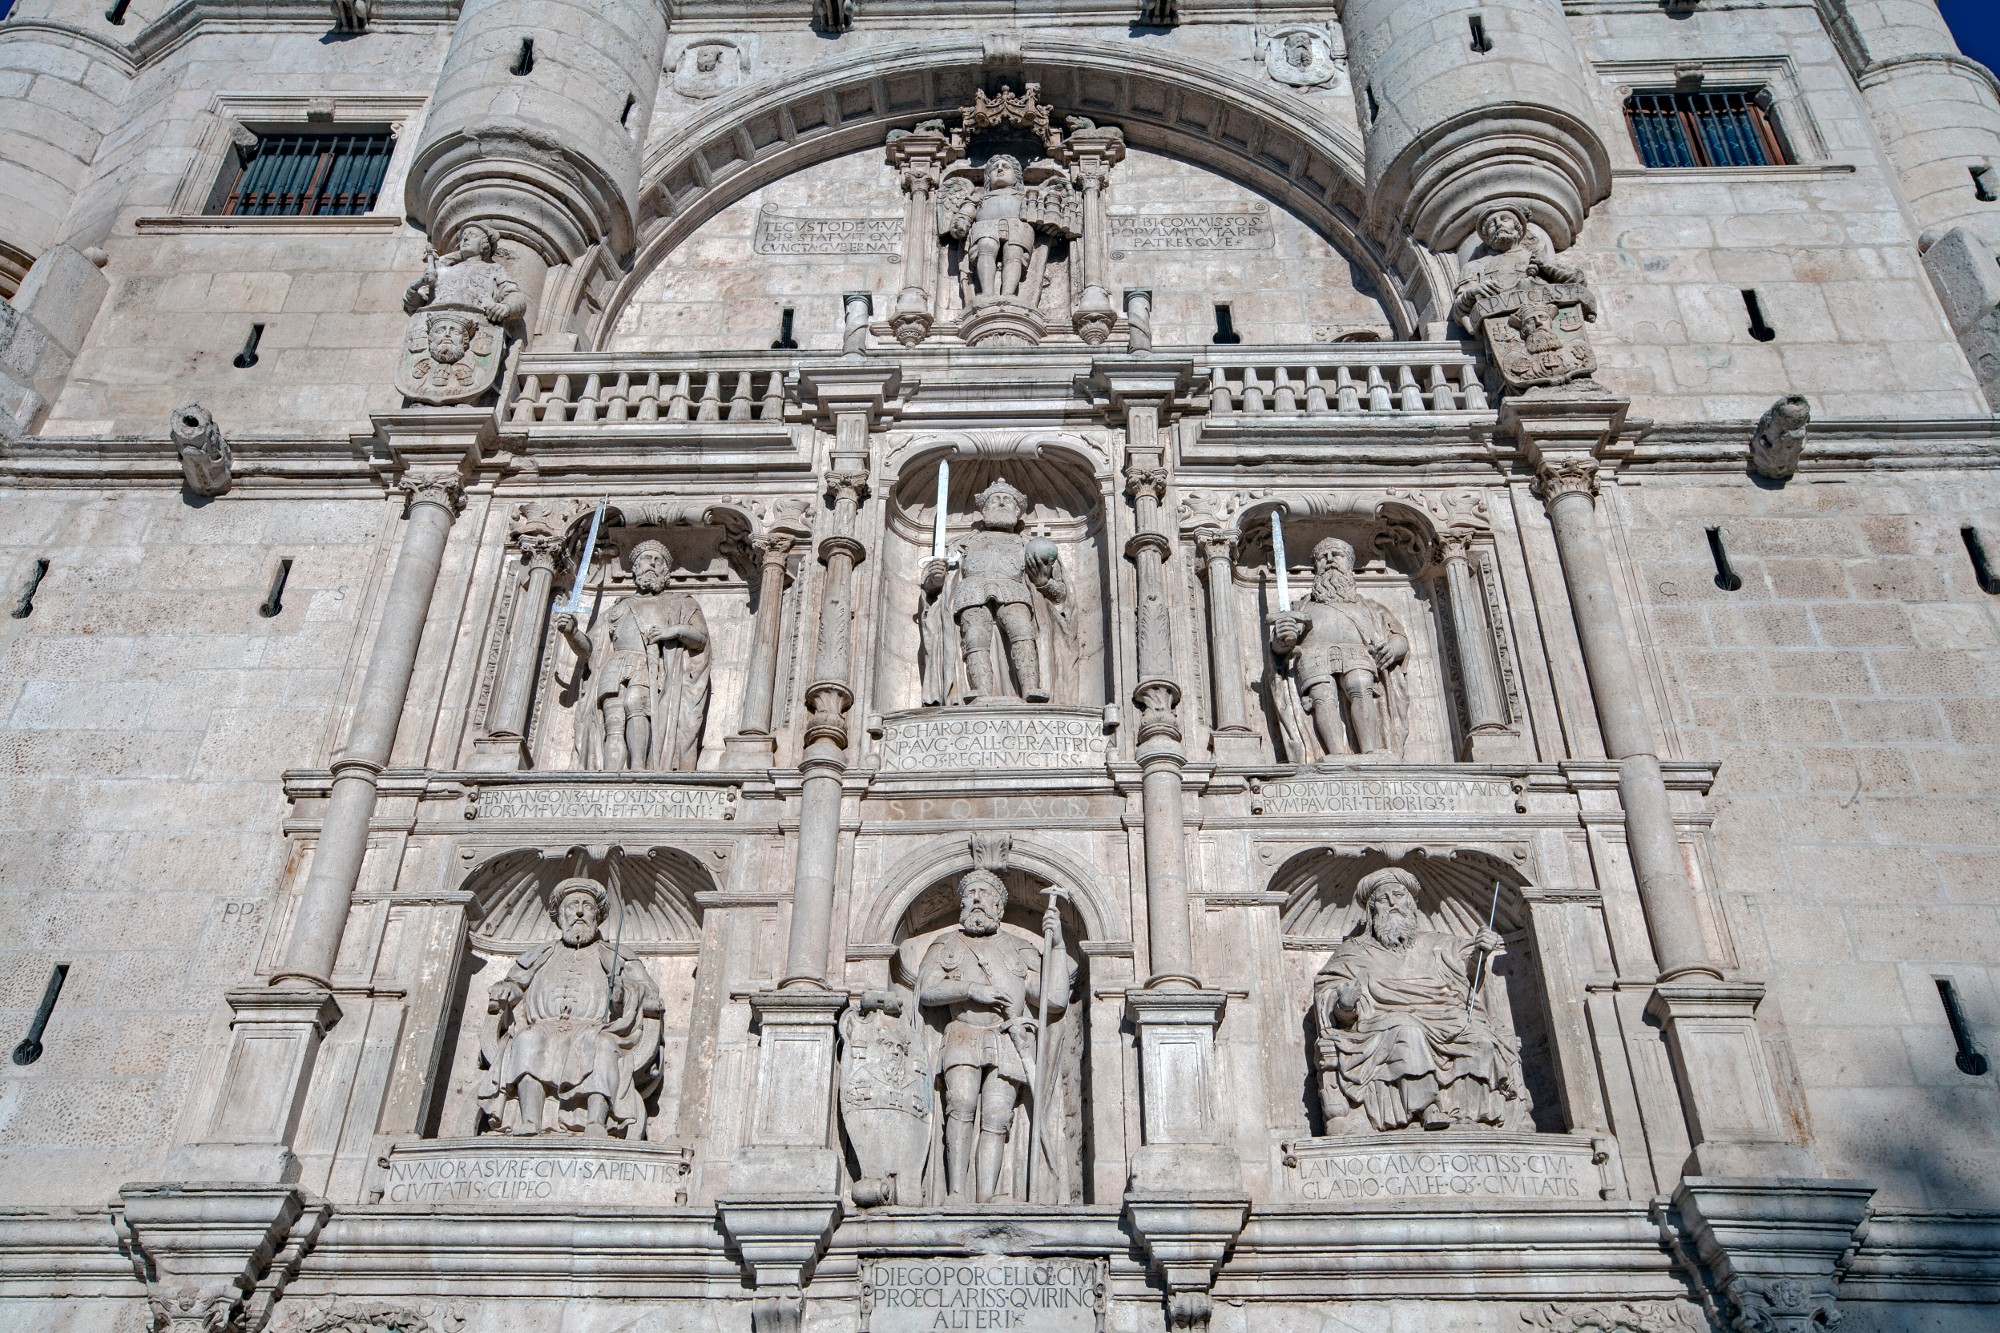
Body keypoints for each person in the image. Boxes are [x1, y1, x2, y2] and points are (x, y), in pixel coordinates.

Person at [1312, 868, 1524, 1133]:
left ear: (1410, 903)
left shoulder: (1440, 944)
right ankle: (1424, 1108)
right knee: (1408, 1031)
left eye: (1398, 895)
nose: (1392, 903)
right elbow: (1330, 996)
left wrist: (1480, 951)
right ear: (1371, 910)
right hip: (1384, 1025)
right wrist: (1344, 1005)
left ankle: (1473, 1115)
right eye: (1382, 898)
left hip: (1445, 1017)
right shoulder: (1354, 952)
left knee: (1480, 1036)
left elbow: (1468, 975)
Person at [916, 870, 1075, 1202]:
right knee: (959, 1105)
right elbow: (927, 990)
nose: (977, 898)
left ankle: (987, 1195)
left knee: (998, 1116)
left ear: (1000, 908)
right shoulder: (946, 944)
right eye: (971, 893)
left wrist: (1057, 945)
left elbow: (1054, 999)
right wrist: (974, 990)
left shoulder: (1019, 949)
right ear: (961, 903)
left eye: (985, 894)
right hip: (962, 1033)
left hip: (1007, 1037)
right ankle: (956, 1192)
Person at [479, 877, 662, 1138]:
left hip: (594, 1029)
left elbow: (647, 990)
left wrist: (623, 992)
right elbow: (514, 983)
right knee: (527, 1039)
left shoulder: (616, 955)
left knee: (602, 1045)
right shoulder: (540, 954)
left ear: (597, 916)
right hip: (544, 1026)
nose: (579, 911)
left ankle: (596, 1122)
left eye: (587, 906)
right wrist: (506, 989)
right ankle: (530, 1120)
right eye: (571, 906)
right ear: (559, 916)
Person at [556, 539, 711, 771]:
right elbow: (589, 649)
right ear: (635, 569)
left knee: (636, 705)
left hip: (646, 663)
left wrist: (674, 631)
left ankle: (638, 768)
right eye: (644, 560)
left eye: (658, 561)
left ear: (666, 572)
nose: (651, 564)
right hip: (615, 664)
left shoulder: (682, 604)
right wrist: (572, 633)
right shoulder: (618, 608)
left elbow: (700, 640)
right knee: (614, 719)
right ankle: (610, 774)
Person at [920, 478, 1069, 704]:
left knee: (1022, 633)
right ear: (983, 509)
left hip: (1015, 593)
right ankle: (981, 691)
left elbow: (1061, 595)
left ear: (1018, 511)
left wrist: (1043, 582)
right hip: (971, 594)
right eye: (995, 500)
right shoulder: (962, 544)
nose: (1001, 504)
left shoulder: (1029, 545)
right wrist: (935, 578)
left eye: (1007, 500)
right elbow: (933, 590)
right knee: (974, 638)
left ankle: (1030, 687)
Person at [1270, 536, 1409, 757]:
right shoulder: (1302, 606)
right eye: (1323, 557)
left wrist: (1392, 648)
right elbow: (1281, 648)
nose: (1330, 560)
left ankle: (1370, 751)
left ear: (1349, 563)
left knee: (1361, 685)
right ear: (1315, 568)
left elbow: (1399, 637)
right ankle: (1337, 755)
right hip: (1315, 655)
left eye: (1337, 555)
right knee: (1322, 695)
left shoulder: (1369, 607)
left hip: (1357, 653)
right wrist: (1282, 639)